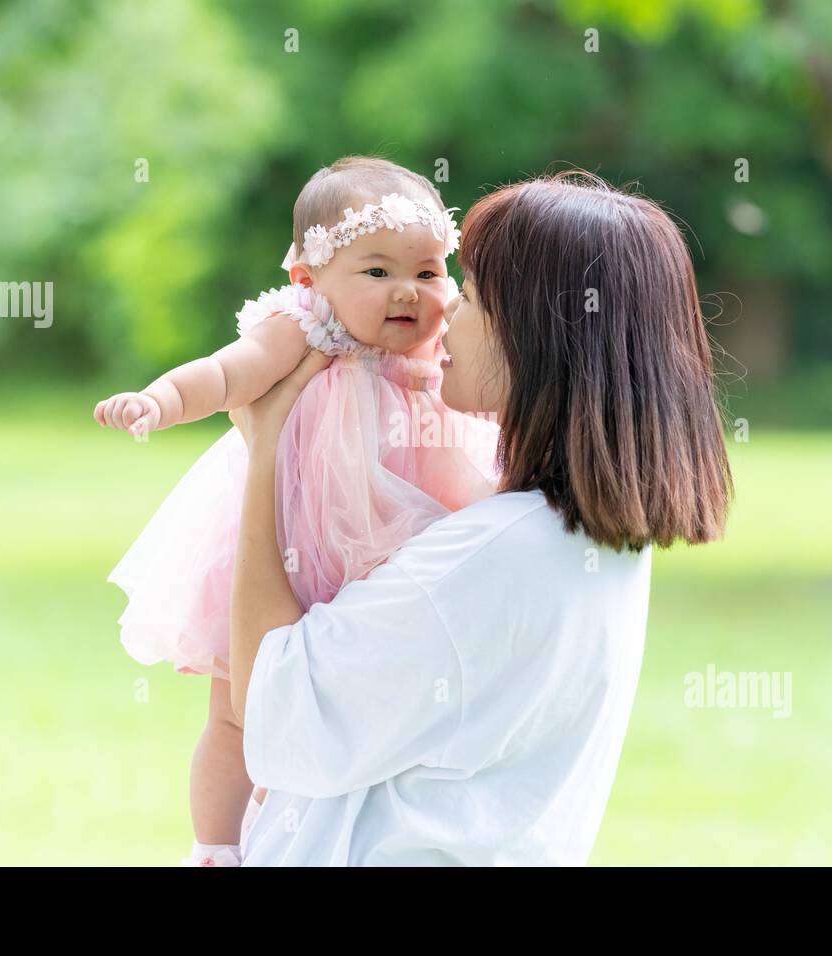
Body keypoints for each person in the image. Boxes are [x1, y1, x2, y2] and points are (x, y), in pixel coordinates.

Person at [225, 170, 734, 865]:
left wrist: (265, 452)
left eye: (467, 294)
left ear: (534, 335)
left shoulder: (491, 554)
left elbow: (276, 714)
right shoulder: (593, 538)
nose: (442, 316)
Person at [94, 157, 501, 866]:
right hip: (286, 539)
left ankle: (299, 824)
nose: (407, 291)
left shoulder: (445, 345)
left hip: (393, 545)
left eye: (429, 272)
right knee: (237, 710)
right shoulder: (305, 329)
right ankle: (216, 846)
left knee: (337, 701)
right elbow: (224, 374)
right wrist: (157, 402)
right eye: (376, 273)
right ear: (309, 279)